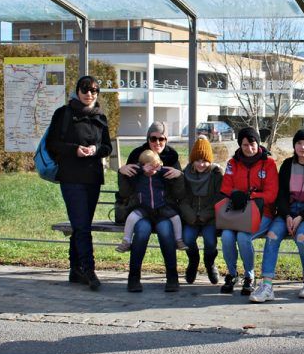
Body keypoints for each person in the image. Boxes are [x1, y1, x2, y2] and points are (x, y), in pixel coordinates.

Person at [47, 76, 112, 291]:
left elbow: (107, 147)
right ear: (77, 91)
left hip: (92, 178)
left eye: (94, 90)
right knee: (82, 226)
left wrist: (95, 149)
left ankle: (75, 269)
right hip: (71, 178)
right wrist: (74, 150)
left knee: (80, 225)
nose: (89, 94)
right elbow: (52, 144)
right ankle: (89, 270)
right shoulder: (63, 113)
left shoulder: (100, 117)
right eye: (85, 89)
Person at [250, 128, 304, 303]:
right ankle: (267, 286)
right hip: (287, 212)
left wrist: (300, 217)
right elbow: (281, 195)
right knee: (272, 235)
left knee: (301, 236)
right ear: (294, 146)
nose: (302, 147)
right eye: (299, 143)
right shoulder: (287, 165)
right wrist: (286, 215)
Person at [118, 122, 184, 293]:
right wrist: (122, 172)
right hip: (141, 208)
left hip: (164, 210)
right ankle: (133, 277)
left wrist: (179, 176)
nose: (157, 142)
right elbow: (125, 192)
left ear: (166, 140)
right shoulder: (137, 156)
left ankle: (172, 276)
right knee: (142, 231)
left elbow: (179, 194)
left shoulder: (172, 158)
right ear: (148, 139)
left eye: (161, 139)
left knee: (165, 230)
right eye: (153, 139)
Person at [219, 127, 278, 295]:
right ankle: (232, 274)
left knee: (243, 237)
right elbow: (226, 188)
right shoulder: (233, 163)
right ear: (240, 145)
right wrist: (235, 195)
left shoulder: (269, 163)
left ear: (258, 143)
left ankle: (249, 276)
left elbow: (271, 195)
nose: (249, 148)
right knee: (226, 236)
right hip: (237, 212)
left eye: (252, 144)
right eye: (245, 145)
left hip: (263, 212)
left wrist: (250, 196)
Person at [115, 149, 186, 254]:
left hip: (161, 206)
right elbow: (131, 174)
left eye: (154, 165)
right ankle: (126, 241)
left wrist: (162, 168)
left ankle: (179, 240)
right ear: (142, 165)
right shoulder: (138, 176)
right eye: (148, 166)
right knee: (131, 217)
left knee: (176, 217)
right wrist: (141, 169)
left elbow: (169, 172)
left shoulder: (162, 175)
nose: (152, 168)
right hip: (143, 207)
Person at [180, 135, 224, 284]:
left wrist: (205, 214)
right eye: (198, 160)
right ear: (192, 160)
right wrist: (191, 215)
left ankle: (210, 263)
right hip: (191, 217)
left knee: (210, 241)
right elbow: (182, 198)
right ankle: (193, 261)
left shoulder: (216, 175)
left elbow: (219, 198)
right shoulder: (185, 174)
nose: (201, 164)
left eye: (205, 161)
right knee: (187, 239)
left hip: (210, 217)